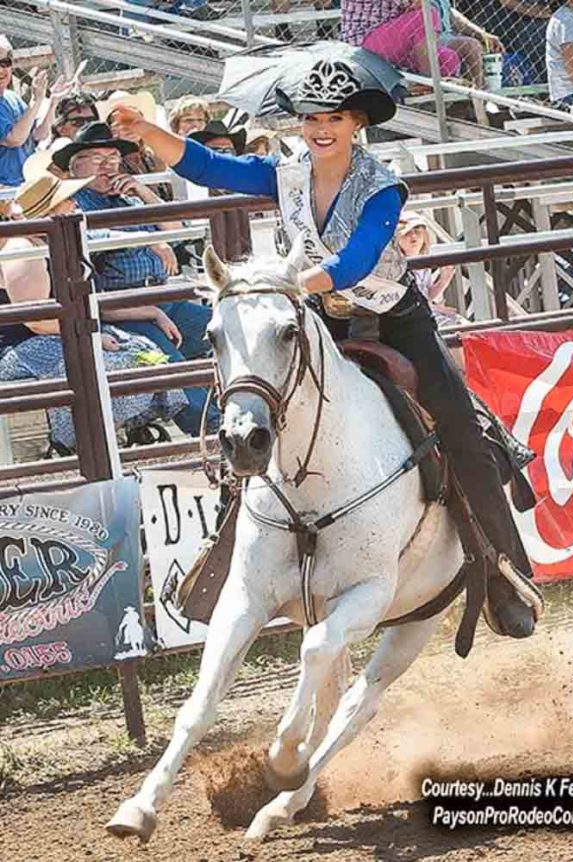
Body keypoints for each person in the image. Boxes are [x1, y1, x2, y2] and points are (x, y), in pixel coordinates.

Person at [112, 60, 541, 639]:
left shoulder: (382, 185)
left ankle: (503, 573)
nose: (320, 128)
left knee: (464, 432)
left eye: (334, 117)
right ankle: (224, 564)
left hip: (393, 321)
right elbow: (209, 165)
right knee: (257, 417)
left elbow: (358, 262)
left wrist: (286, 286)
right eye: (311, 117)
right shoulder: (285, 174)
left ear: (356, 123)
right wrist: (146, 133)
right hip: (316, 321)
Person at [0, 173, 189, 453]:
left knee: (140, 351)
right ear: (49, 211)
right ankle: (86, 448)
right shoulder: (23, 249)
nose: (76, 204)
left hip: (63, 334)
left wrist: (151, 311)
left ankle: (109, 443)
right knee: (104, 363)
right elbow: (36, 320)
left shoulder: (61, 239)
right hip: (23, 347)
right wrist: (91, 335)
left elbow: (104, 241)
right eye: (67, 200)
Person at [51, 122, 218, 437]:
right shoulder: (74, 201)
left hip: (163, 300)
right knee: (168, 361)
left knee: (223, 327)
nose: (108, 165)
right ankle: (212, 430)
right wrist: (148, 239)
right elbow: (86, 236)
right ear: (75, 166)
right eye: (96, 158)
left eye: (113, 157)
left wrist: (141, 190)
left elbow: (177, 228)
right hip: (119, 307)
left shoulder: (128, 197)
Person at [0, 36, 71, 187]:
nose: (1, 70)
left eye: (5, 63)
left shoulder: (11, 97)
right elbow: (14, 139)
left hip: (26, 182)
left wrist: (53, 102)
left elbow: (38, 134)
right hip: (3, 187)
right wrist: (37, 99)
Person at [340, 0, 462, 78]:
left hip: (392, 38)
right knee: (428, 14)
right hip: (363, 41)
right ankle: (428, 80)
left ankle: (424, 80)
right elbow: (419, 4)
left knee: (449, 59)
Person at [395, 212, 464, 326]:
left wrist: (443, 280)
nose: (413, 236)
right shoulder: (396, 266)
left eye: (418, 231)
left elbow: (426, 295)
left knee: (462, 324)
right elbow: (405, 303)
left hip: (426, 312)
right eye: (407, 233)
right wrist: (433, 308)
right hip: (413, 318)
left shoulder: (424, 262)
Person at [432, 0, 505, 85]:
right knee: (471, 45)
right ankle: (478, 93)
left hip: (447, 36)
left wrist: (484, 35)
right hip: (430, 38)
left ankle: (478, 88)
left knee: (485, 45)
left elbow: (453, 16)